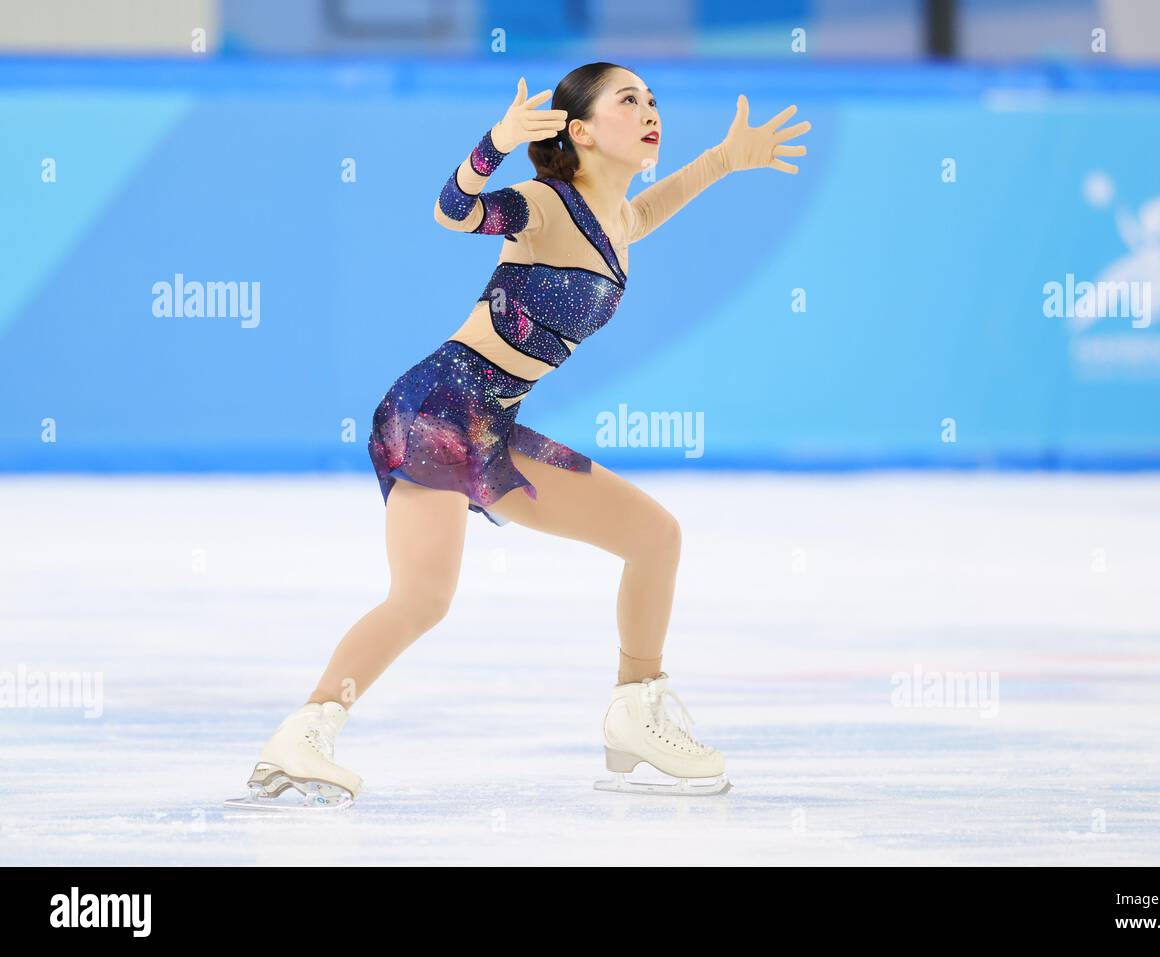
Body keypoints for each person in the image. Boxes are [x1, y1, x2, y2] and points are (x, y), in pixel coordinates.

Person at [227, 62, 810, 809]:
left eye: (653, 99)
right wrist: (494, 142)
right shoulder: (545, 205)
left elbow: (661, 200)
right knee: (422, 598)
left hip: (491, 426)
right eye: (628, 100)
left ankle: (636, 706)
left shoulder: (617, 222)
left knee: (654, 536)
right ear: (581, 130)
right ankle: (307, 729)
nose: (649, 110)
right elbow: (451, 211)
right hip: (436, 409)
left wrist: (729, 159)